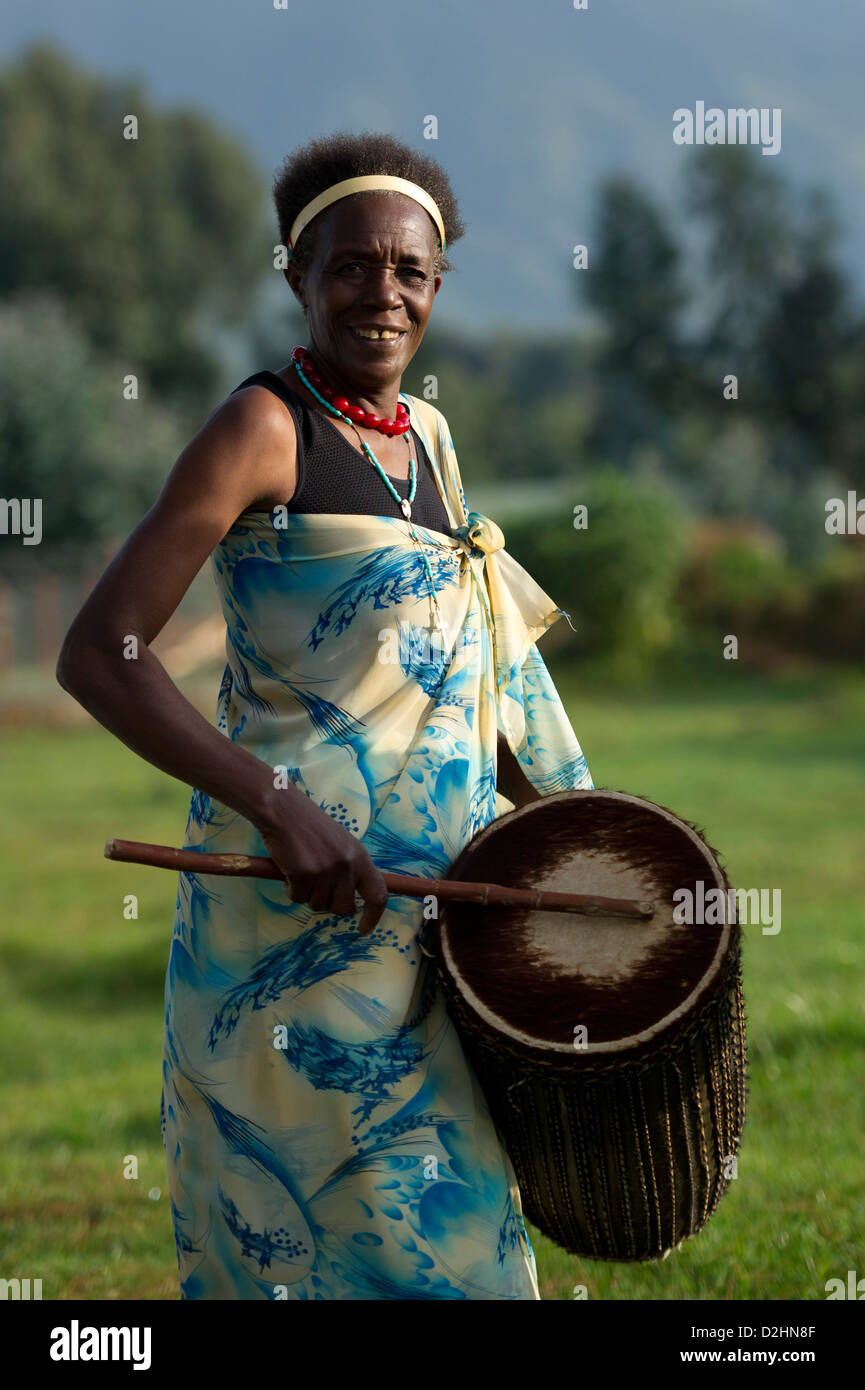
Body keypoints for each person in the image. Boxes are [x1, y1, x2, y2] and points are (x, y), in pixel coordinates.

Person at [57, 130, 593, 1300]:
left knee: (447, 1239)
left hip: (426, 920)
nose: (382, 293)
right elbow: (104, 650)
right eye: (351, 265)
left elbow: (463, 672)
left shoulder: (433, 445)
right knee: (298, 1245)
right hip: (285, 916)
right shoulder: (261, 429)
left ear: (438, 285)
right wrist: (277, 805)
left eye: (409, 270)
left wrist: (573, 830)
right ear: (296, 275)